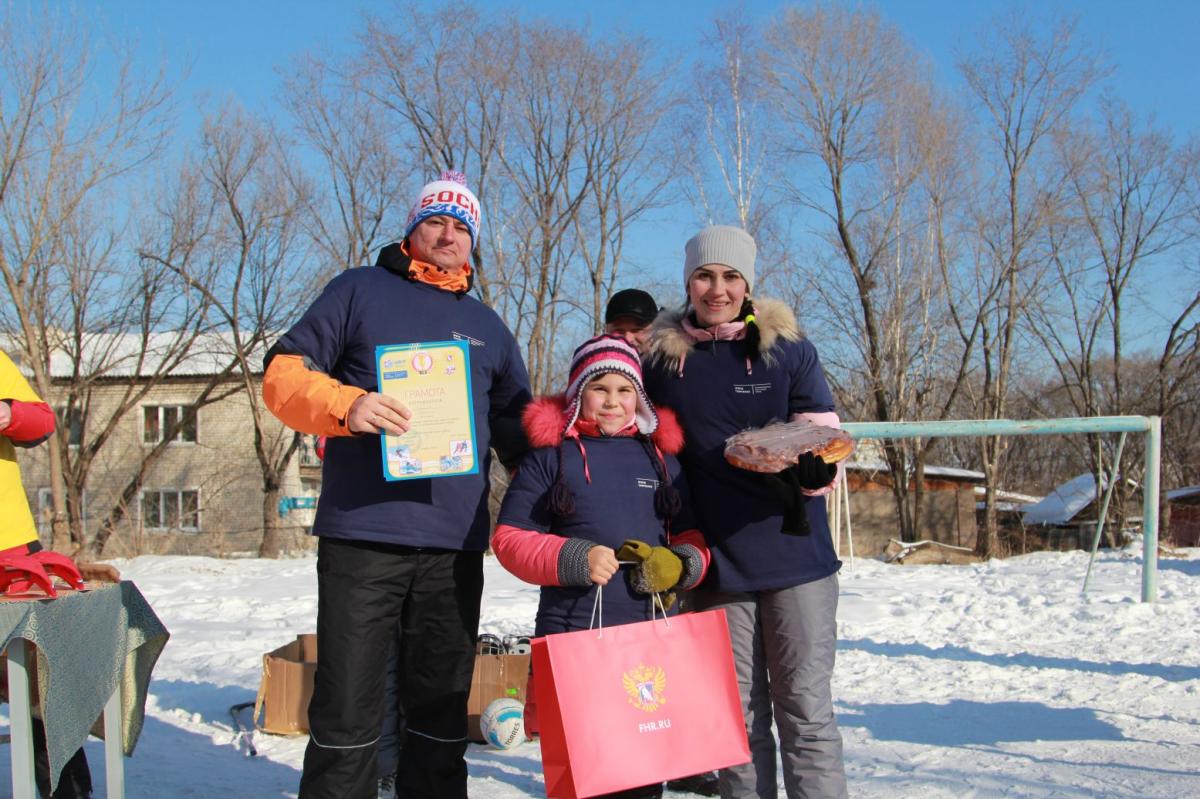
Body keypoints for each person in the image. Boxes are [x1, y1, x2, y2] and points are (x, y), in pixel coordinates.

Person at [262, 171, 532, 799]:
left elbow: (519, 427)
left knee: (439, 710)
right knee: (348, 707)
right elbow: (282, 373)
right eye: (436, 221)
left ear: (474, 243)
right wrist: (346, 405)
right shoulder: (358, 290)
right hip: (364, 536)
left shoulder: (487, 325)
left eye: (462, 227)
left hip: (453, 543)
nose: (448, 235)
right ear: (412, 229)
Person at [642, 225, 848, 799]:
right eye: (705, 276)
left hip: (795, 554)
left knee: (805, 708)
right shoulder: (660, 363)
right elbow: (630, 432)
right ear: (688, 283)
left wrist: (816, 470)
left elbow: (823, 437)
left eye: (731, 276)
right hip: (716, 561)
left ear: (748, 284)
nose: (718, 289)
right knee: (736, 715)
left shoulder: (790, 352)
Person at [491, 334, 711, 799]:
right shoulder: (549, 458)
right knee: (582, 769)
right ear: (578, 392)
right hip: (574, 634)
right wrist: (572, 557)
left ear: (640, 397)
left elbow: (692, 536)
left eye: (624, 390)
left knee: (643, 772)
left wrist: (681, 563)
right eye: (600, 388)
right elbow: (509, 539)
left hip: (647, 638)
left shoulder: (662, 460)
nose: (612, 401)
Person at [604, 288, 660, 353]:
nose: (628, 339)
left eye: (637, 330)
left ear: (655, 332)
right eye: (619, 331)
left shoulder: (670, 361)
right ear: (607, 331)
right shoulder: (594, 360)